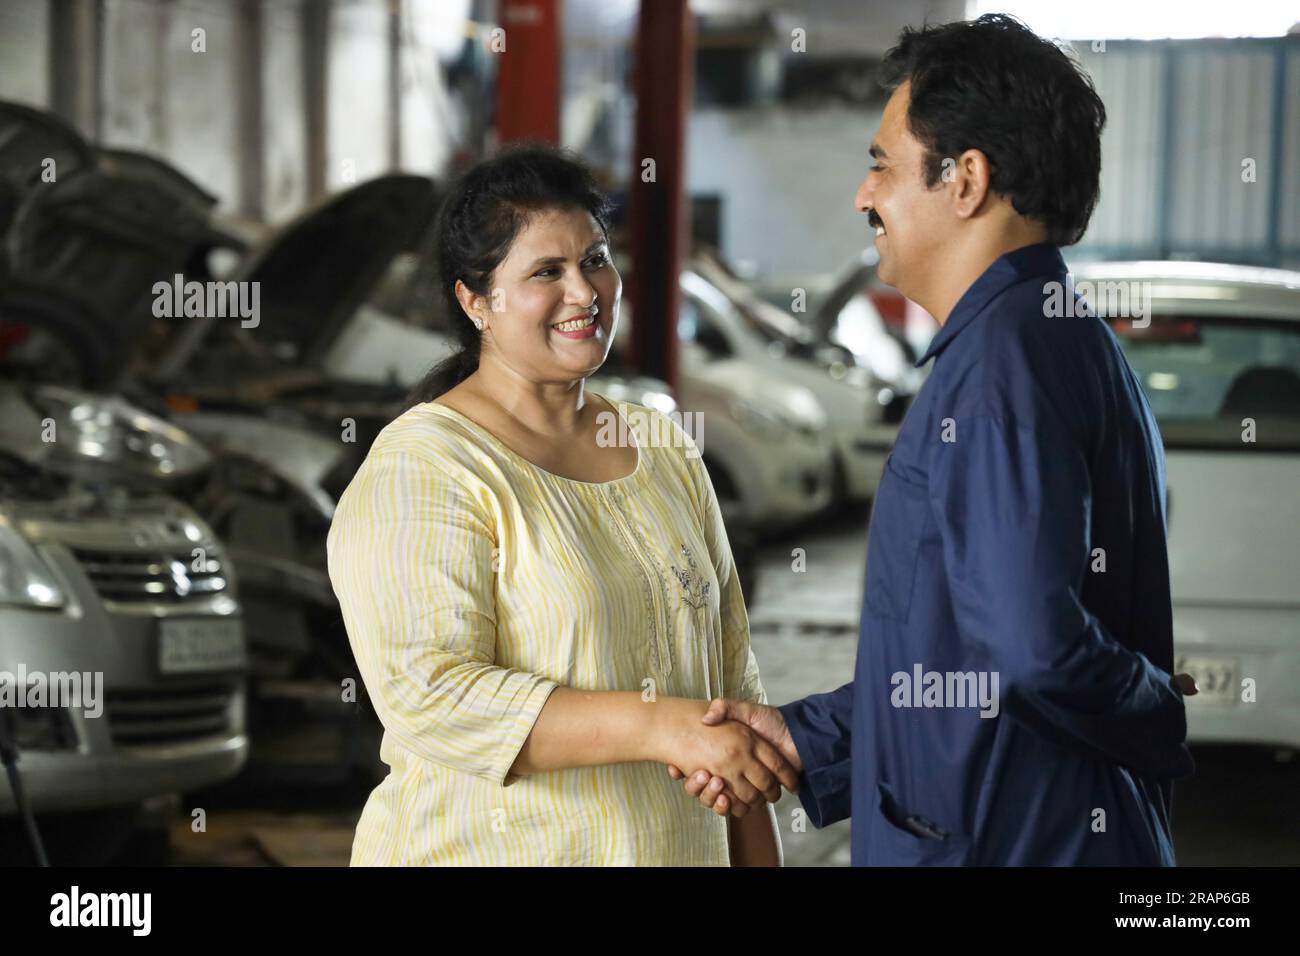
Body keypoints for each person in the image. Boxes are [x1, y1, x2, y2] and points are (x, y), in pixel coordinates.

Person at [673, 14, 1199, 866]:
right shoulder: (1038, 337)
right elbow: (962, 662)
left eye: (881, 164)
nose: (863, 195)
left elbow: (1032, 651)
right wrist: (803, 737)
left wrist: (1150, 706)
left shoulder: (1006, 365)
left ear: (965, 181)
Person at [326, 145, 795, 866]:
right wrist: (659, 727)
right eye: (546, 272)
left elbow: (731, 698)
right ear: (475, 300)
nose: (585, 292)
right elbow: (435, 697)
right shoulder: (426, 467)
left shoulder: (662, 448)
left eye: (596, 260)